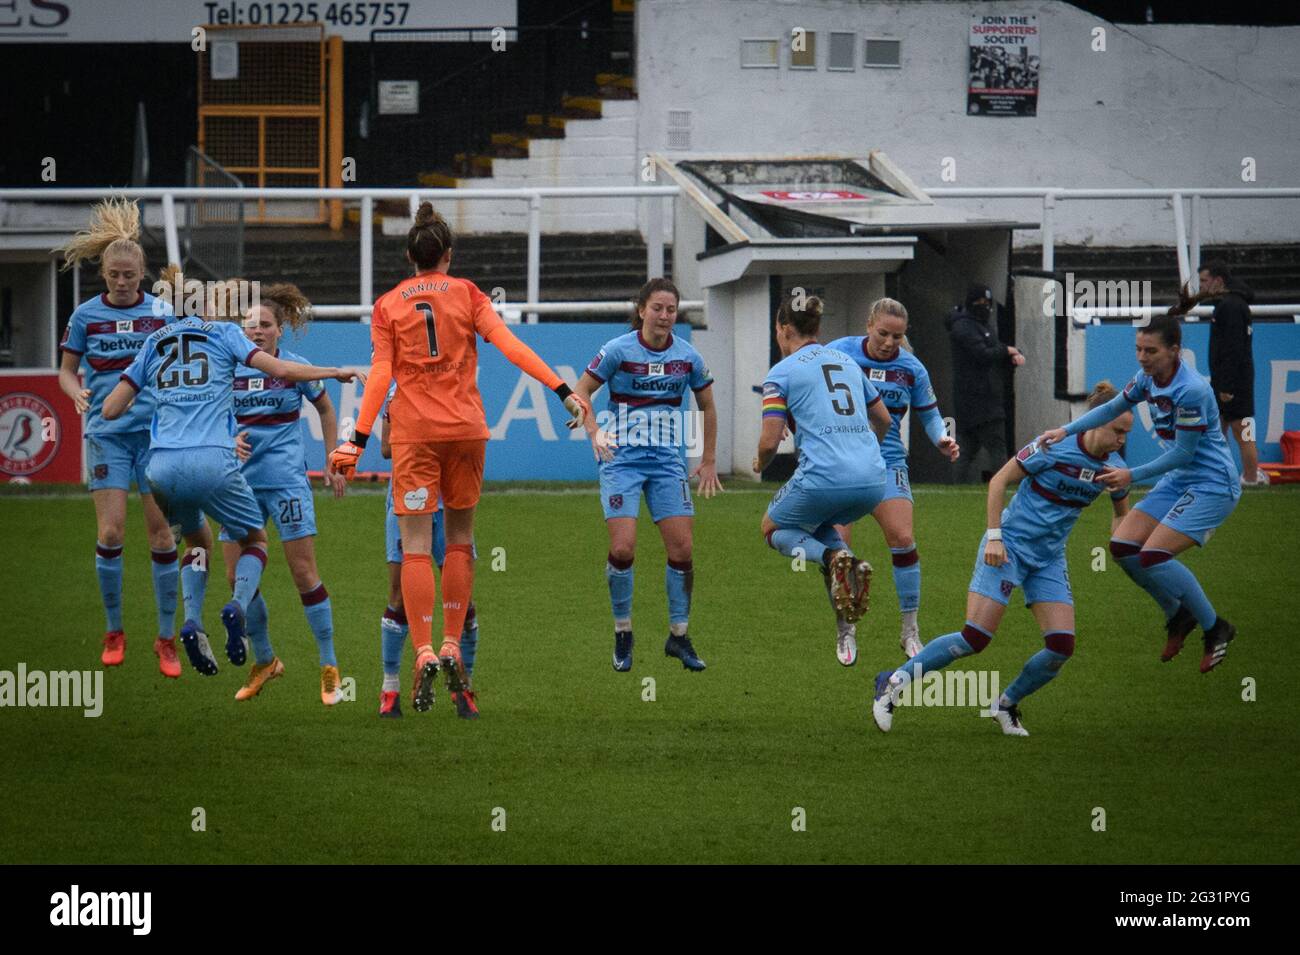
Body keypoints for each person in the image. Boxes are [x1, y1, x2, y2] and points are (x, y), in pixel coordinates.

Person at [328, 202, 587, 714]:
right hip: (467, 431)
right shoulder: (467, 293)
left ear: (409, 256)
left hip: (414, 436)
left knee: (416, 547)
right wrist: (561, 388)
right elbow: (511, 345)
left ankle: (421, 650)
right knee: (462, 541)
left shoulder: (388, 305)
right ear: (448, 254)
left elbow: (381, 374)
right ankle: (451, 642)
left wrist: (355, 440)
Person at [101, 274, 361, 677]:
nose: (253, 328)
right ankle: (237, 608)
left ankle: (193, 621)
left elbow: (111, 410)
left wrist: (162, 404)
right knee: (256, 541)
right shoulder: (224, 337)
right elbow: (277, 369)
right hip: (216, 467)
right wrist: (333, 372)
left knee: (195, 542)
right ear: (208, 309)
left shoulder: (154, 343)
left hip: (163, 467)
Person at [872, 381, 1133, 737]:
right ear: (1097, 422)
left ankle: (1006, 704)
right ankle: (892, 683)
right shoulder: (1053, 446)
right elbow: (998, 482)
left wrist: (1121, 542)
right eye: (1117, 431)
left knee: (1061, 647)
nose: (1121, 440)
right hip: (1008, 546)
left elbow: (1122, 516)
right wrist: (995, 537)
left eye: (1126, 434)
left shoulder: (1114, 469)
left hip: (1049, 559)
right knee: (974, 638)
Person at [1036, 301, 1240, 673]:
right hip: (1181, 480)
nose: (1143, 358)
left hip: (1212, 484)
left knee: (1153, 556)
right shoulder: (1147, 379)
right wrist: (1066, 429)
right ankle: (1177, 615)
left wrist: (1132, 475)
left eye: (1151, 351)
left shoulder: (1191, 390)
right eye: (1138, 350)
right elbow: (1113, 406)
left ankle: (1215, 627)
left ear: (1174, 351)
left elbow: (1182, 453)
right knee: (1122, 547)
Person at [55, 198, 184, 677]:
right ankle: (114, 630)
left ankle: (166, 639)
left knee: (161, 534)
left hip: (155, 436)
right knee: (110, 532)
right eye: (115, 275)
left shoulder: (164, 313)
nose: (123, 282)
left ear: (143, 272)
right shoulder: (86, 316)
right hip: (108, 434)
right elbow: (66, 371)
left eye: (130, 274)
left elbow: (179, 367)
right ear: (104, 274)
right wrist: (77, 392)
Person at [573, 278, 722, 673]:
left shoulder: (688, 357)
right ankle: (623, 631)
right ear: (641, 310)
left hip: (666, 463)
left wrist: (708, 460)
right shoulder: (618, 351)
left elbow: (707, 405)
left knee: (682, 551)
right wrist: (594, 432)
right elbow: (580, 391)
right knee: (623, 550)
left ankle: (679, 636)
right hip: (621, 460)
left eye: (671, 310)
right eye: (657, 308)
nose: (664, 316)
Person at [216, 284, 348, 705]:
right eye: (249, 326)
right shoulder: (228, 370)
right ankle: (266, 660)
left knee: (303, 574)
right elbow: (212, 419)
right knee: (237, 579)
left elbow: (326, 408)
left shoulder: (294, 367)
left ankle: (329, 667)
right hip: (238, 486)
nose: (256, 332)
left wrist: (333, 458)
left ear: (279, 330)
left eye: (265, 325)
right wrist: (226, 441)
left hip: (287, 483)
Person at [827, 297, 960, 662]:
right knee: (839, 549)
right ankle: (845, 629)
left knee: (903, 539)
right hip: (842, 462)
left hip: (887, 462)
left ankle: (910, 631)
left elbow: (930, 415)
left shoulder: (912, 368)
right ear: (868, 325)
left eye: (897, 337)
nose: (889, 342)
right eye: (883, 333)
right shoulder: (838, 353)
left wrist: (942, 439)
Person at [755, 294, 893, 648]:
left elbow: (770, 442)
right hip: (874, 482)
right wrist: (863, 453)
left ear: (784, 329)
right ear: (818, 327)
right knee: (820, 524)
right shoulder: (846, 361)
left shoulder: (781, 372)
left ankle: (832, 556)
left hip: (825, 479)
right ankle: (845, 617)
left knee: (772, 528)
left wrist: (760, 463)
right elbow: (884, 419)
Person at [377, 399, 481, 720]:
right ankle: (390, 688)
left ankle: (463, 689)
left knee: (462, 599)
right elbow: (384, 449)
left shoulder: (454, 382)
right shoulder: (397, 391)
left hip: (447, 500)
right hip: (409, 497)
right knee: (398, 596)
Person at [947, 285, 1024, 483]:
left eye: (987, 303)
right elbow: (983, 354)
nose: (985, 307)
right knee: (996, 447)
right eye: (980, 303)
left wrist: (1008, 356)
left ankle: (958, 488)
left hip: (977, 399)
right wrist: (1007, 351)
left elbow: (991, 352)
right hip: (980, 400)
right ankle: (1002, 484)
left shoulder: (979, 325)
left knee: (966, 450)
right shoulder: (965, 327)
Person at [1199, 260, 1265, 486]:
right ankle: (1220, 475)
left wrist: (1226, 385)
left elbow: (1233, 349)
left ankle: (1250, 477)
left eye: (1203, 281)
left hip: (1234, 383)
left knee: (1242, 431)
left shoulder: (1231, 306)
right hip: (1228, 380)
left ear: (1218, 281)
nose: (1201, 286)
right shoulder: (1230, 304)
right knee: (1218, 431)